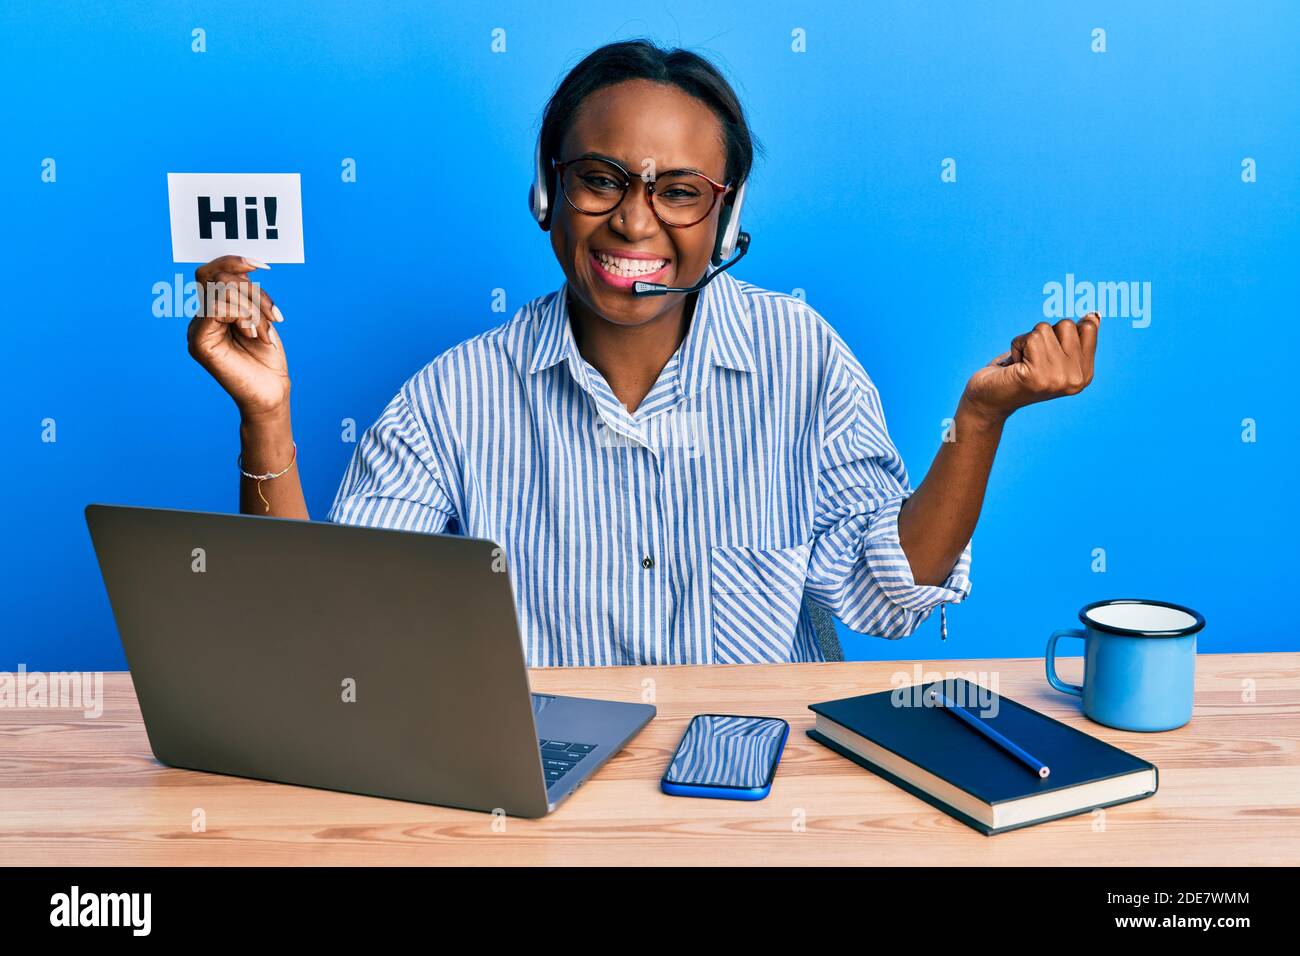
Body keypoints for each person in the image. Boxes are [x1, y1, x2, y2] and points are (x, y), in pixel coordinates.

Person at [186, 39, 1099, 667]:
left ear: (726, 214)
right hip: (541, 797)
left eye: (679, 192)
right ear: (549, 192)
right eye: (601, 179)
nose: (634, 220)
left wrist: (979, 421)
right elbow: (327, 634)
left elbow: (881, 595)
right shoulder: (452, 397)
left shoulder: (803, 357)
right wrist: (264, 417)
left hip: (769, 791)